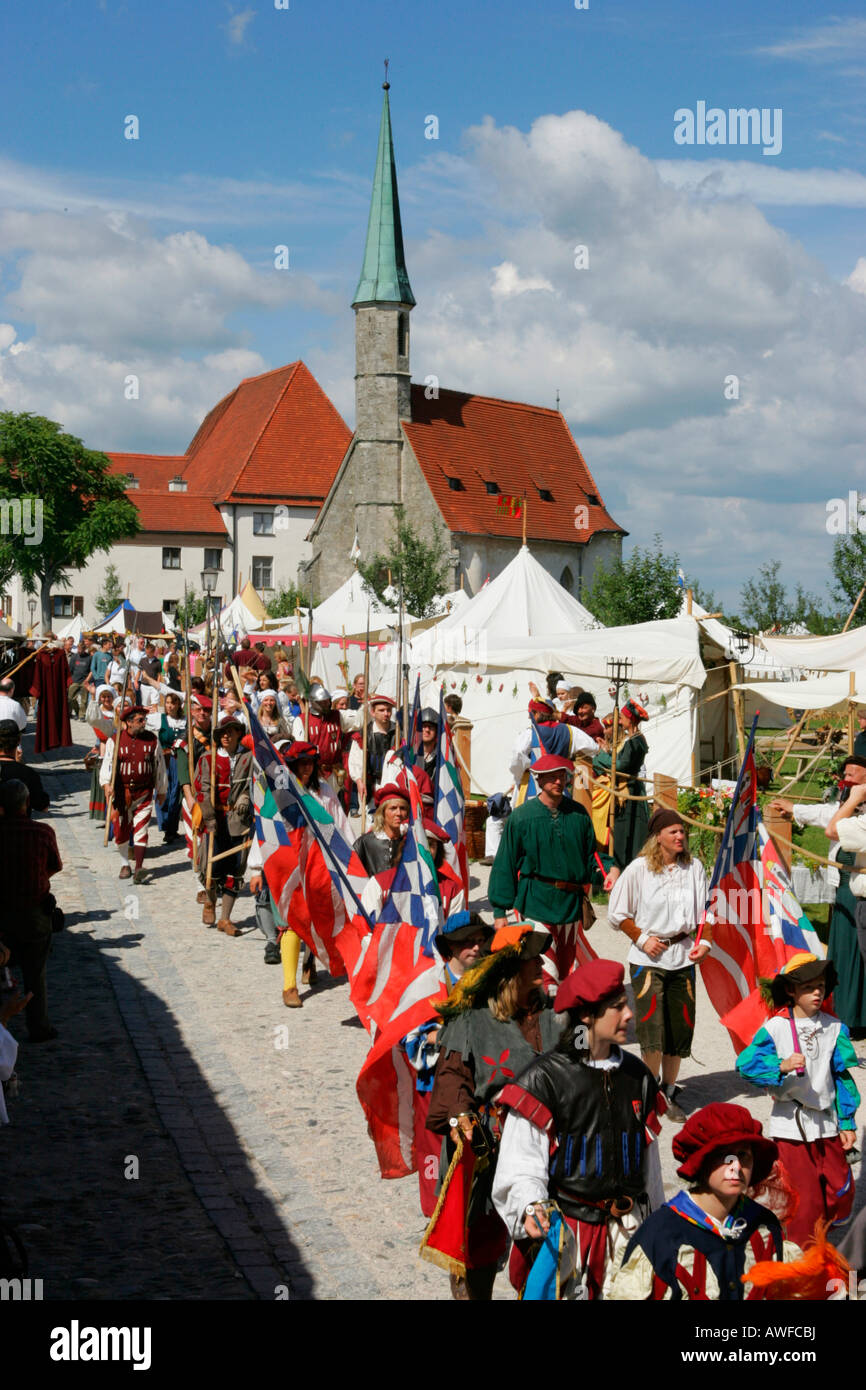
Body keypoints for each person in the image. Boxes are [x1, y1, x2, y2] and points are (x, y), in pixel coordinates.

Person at [492, 958, 664, 1300]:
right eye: (617, 1007)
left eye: (626, 1005)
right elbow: (522, 1165)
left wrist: (660, 1226)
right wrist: (531, 1206)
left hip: (628, 1234)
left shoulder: (638, 1076)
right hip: (571, 1237)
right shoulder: (544, 1080)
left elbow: (651, 1168)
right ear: (586, 1016)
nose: (629, 1014)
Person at [426, 923, 562, 1300]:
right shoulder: (470, 1020)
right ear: (507, 972)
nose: (540, 964)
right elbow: (452, 1084)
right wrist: (462, 1119)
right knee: (478, 1260)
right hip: (487, 1151)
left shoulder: (556, 1015)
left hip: (545, 1151)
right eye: (530, 959)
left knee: (544, 1250)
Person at [609, 1103, 795, 1300]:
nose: (736, 1167)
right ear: (701, 1161)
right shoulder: (658, 1236)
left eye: (743, 1155)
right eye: (726, 1157)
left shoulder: (764, 1225)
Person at [735, 953, 860, 1248]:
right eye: (808, 986)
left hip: (827, 1123)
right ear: (791, 990)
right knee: (803, 1198)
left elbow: (842, 1079)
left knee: (840, 1189)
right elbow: (746, 1065)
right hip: (791, 1126)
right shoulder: (776, 1028)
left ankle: (817, 1234)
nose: (817, 992)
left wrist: (847, 1121)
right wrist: (781, 1065)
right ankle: (802, 1258)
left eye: (821, 985)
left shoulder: (834, 1028)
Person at [607, 807, 711, 1121]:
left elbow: (706, 911)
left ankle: (668, 1089)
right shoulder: (639, 869)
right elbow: (617, 913)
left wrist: (704, 942)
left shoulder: (694, 868)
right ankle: (649, 1092)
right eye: (673, 832)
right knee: (652, 1029)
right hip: (647, 958)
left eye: (682, 831)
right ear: (658, 838)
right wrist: (641, 939)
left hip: (683, 956)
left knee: (680, 1028)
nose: (680, 836)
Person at [403, 913, 494, 1219]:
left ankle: (470, 1211)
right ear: (452, 948)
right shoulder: (427, 985)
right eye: (468, 942)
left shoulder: (488, 981)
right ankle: (440, 1221)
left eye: (480, 941)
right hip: (434, 1088)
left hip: (477, 1088)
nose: (476, 948)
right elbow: (409, 1039)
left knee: (473, 1151)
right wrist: (447, 1036)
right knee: (435, 1157)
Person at [771, 755, 866, 1035]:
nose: (846, 779)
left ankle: (856, 1016)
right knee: (845, 951)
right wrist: (794, 809)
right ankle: (845, 1012)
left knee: (857, 953)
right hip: (845, 892)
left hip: (858, 892)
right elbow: (826, 814)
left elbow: (832, 826)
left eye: (853, 775)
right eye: (845, 774)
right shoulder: (847, 807)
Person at [489, 752, 597, 993]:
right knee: (543, 973)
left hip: (570, 905)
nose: (559, 782)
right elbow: (505, 864)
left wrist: (607, 871)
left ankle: (571, 1028)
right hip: (536, 902)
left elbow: (592, 856)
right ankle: (545, 1027)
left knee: (569, 972)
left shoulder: (579, 814)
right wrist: (499, 911)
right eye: (552, 777)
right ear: (539, 780)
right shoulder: (521, 817)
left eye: (562, 776)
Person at [0, 779, 63, 1041]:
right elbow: (55, 865)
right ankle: (38, 1026)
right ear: (27, 804)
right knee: (35, 972)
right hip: (34, 914)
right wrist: (37, 880)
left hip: (2, 915)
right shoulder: (43, 832)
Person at [196, 713, 254, 934]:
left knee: (235, 870)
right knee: (211, 867)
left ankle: (225, 918)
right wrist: (210, 818)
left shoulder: (248, 758)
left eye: (231, 732)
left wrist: (246, 797)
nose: (226, 736)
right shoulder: (207, 759)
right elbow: (201, 790)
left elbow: (258, 784)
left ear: (239, 733)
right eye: (222, 733)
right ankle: (210, 900)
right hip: (215, 820)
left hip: (240, 821)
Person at [100, 703, 167, 883]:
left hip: (144, 793)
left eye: (144, 719)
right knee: (121, 830)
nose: (144, 723)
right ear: (128, 722)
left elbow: (159, 766)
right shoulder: (115, 741)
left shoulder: (152, 740)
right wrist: (107, 785)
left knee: (141, 829)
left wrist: (161, 790)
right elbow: (107, 765)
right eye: (140, 720)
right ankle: (124, 864)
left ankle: (138, 868)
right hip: (120, 794)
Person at [147, 691, 186, 843]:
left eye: (173, 703)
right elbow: (141, 721)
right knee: (163, 789)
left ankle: (172, 828)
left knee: (176, 792)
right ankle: (164, 824)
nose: (169, 706)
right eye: (167, 702)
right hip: (163, 759)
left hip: (179, 759)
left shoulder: (185, 720)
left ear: (178, 705)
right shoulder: (160, 718)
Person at [348, 691, 396, 804]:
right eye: (381, 710)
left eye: (388, 710)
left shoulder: (399, 733)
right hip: (371, 785)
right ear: (372, 712)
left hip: (392, 784)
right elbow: (355, 761)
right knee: (371, 820)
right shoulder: (363, 735)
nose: (386, 713)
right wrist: (359, 781)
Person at [29, 634, 72, 754]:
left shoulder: (61, 654)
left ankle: (59, 740)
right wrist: (37, 690)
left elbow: (66, 672)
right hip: (45, 694)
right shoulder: (40, 656)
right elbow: (37, 674)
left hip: (59, 692)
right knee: (46, 716)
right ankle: (47, 742)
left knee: (60, 714)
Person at [0, 719, 49, 812]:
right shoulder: (27, 773)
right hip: (19, 825)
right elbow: (43, 807)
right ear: (19, 741)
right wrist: (19, 766)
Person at [87, 685, 117, 821]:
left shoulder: (117, 712)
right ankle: (104, 814)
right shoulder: (98, 712)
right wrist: (92, 697)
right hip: (103, 751)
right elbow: (92, 719)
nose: (106, 699)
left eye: (109, 697)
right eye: (104, 697)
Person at [419, 707, 439, 782]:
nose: (427, 730)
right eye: (424, 726)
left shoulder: (441, 756)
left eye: (430, 727)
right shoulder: (410, 754)